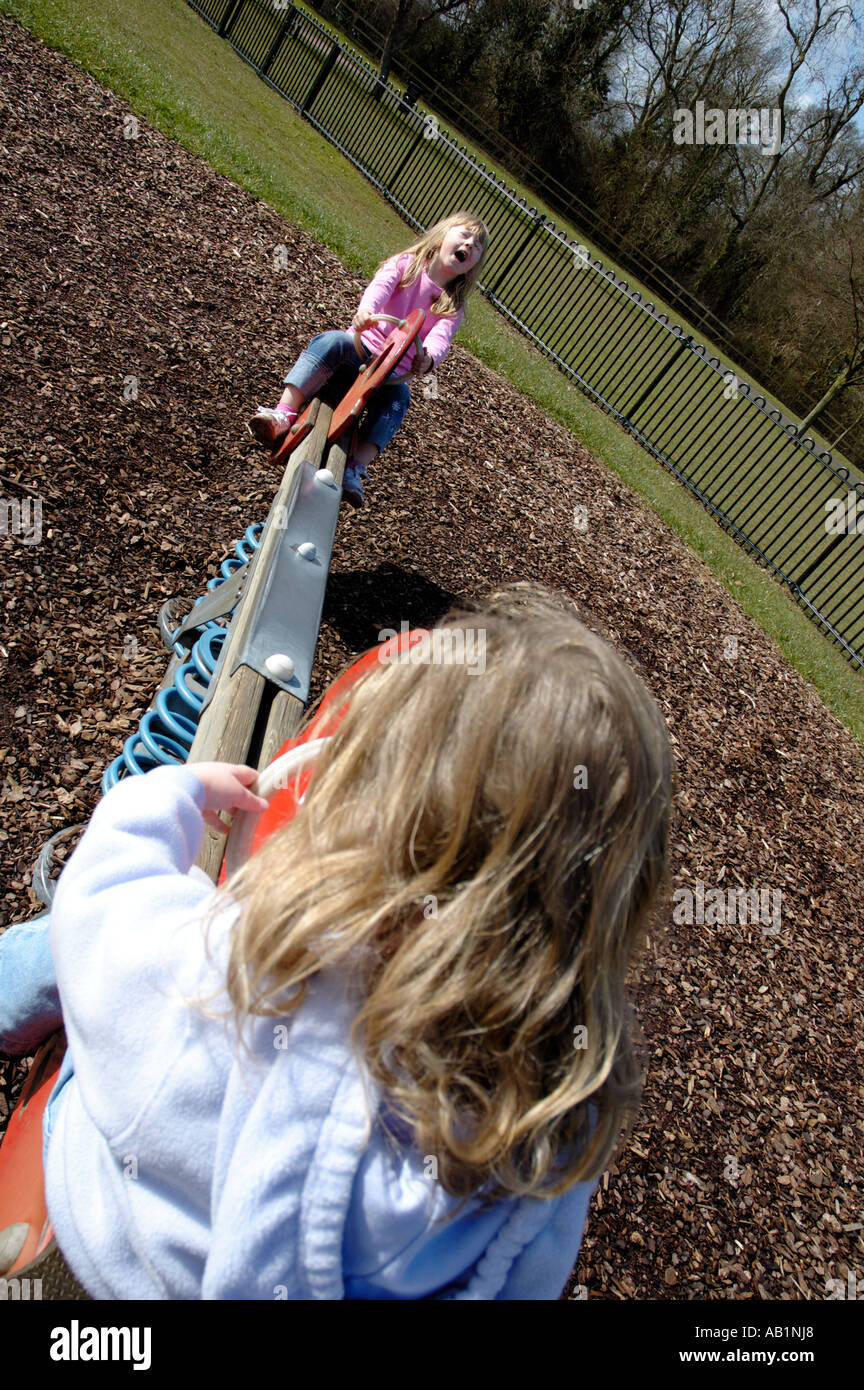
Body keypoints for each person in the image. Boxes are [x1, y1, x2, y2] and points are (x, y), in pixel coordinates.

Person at [0, 583, 673, 1299]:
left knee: (64, 946)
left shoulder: (229, 975)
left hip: (98, 1247)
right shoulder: (551, 1138)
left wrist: (166, 798)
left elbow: (102, 913)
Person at [248, 212, 490, 507]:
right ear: (442, 236)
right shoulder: (407, 264)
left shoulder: (452, 306)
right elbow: (381, 287)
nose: (469, 244)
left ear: (474, 265)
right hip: (361, 348)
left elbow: (441, 339)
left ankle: (355, 466)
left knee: (399, 399)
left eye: (478, 246)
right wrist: (366, 312)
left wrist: (428, 360)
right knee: (331, 341)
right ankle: (284, 412)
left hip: (390, 374)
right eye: (464, 235)